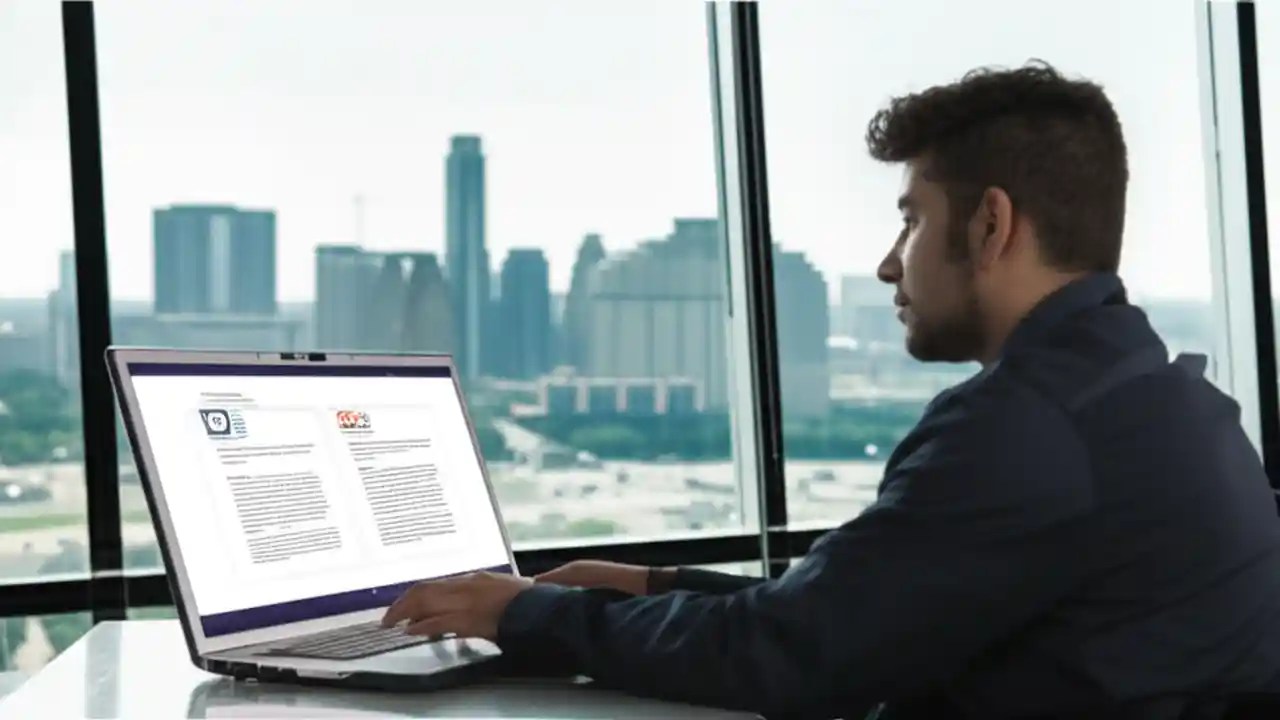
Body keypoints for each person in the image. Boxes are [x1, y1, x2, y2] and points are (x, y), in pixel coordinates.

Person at [382, 62, 1280, 718]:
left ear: (991, 224)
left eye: (911, 220)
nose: (890, 263)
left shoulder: (1026, 428)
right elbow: (867, 611)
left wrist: (532, 614)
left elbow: (801, 658)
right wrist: (655, 583)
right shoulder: (1162, 399)